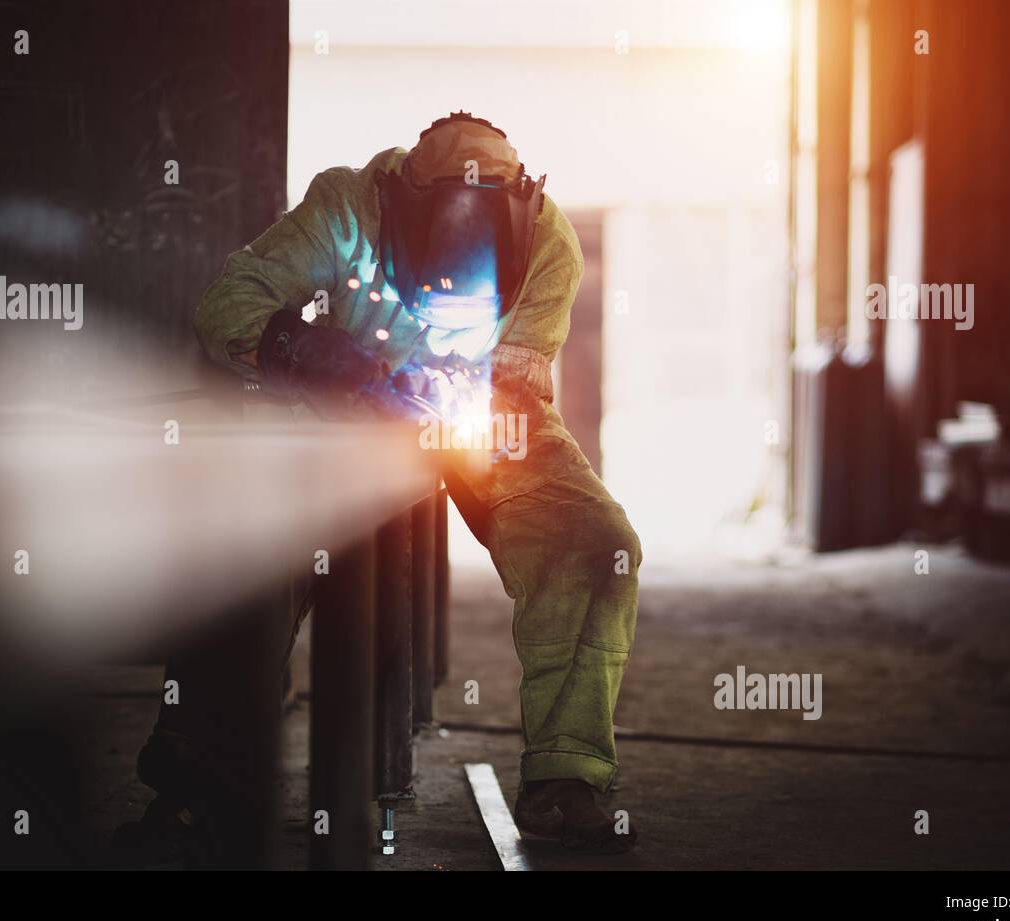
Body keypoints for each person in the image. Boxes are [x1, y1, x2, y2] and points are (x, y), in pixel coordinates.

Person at [133, 113, 641, 857]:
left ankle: (567, 776)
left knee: (594, 544)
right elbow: (227, 304)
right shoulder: (347, 207)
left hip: (485, 420)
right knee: (258, 534)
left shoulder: (546, 237)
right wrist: (304, 348)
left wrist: (456, 399)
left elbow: (518, 382)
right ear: (400, 216)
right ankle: (198, 772)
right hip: (344, 412)